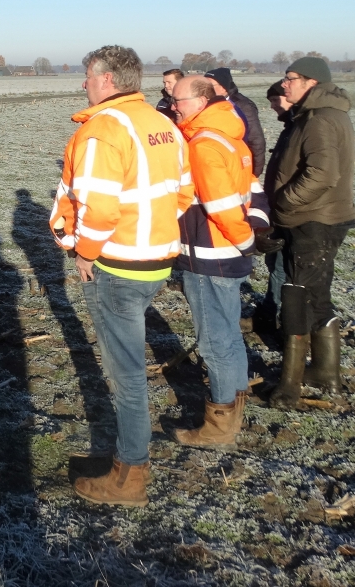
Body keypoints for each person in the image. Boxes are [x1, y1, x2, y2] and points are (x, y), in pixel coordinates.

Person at [50, 45, 191, 506]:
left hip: (116, 267)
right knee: (130, 367)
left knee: (126, 374)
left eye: (87, 76)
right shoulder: (162, 123)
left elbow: (101, 206)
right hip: (157, 262)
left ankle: (129, 473)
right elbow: (184, 193)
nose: (83, 84)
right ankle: (129, 460)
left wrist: (85, 254)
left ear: (108, 80)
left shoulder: (103, 131)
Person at [170, 76, 270, 447]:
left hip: (210, 256)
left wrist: (245, 241)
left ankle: (220, 424)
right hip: (227, 255)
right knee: (227, 331)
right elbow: (253, 188)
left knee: (214, 340)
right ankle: (236, 402)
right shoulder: (231, 135)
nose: (173, 104)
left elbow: (221, 206)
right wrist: (253, 233)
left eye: (178, 99)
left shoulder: (203, 145)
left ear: (201, 100)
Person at [266, 56, 355, 408]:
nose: (284, 84)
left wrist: (285, 204)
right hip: (318, 218)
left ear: (312, 82)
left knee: (297, 297)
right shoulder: (316, 115)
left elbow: (322, 174)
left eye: (290, 78)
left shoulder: (318, 119)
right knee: (316, 295)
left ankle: (290, 385)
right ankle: (325, 372)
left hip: (313, 221)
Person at [252, 80, 294, 336]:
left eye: (276, 100)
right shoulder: (291, 126)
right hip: (280, 206)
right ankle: (271, 310)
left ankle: (279, 318)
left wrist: (283, 203)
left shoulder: (303, 126)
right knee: (275, 263)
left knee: (281, 266)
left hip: (289, 209)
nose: (273, 107)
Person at [202, 67, 267, 178]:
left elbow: (256, 140)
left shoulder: (243, 106)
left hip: (240, 165)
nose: (204, 90)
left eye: (210, 86)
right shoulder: (205, 104)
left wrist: (254, 173)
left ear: (223, 88)